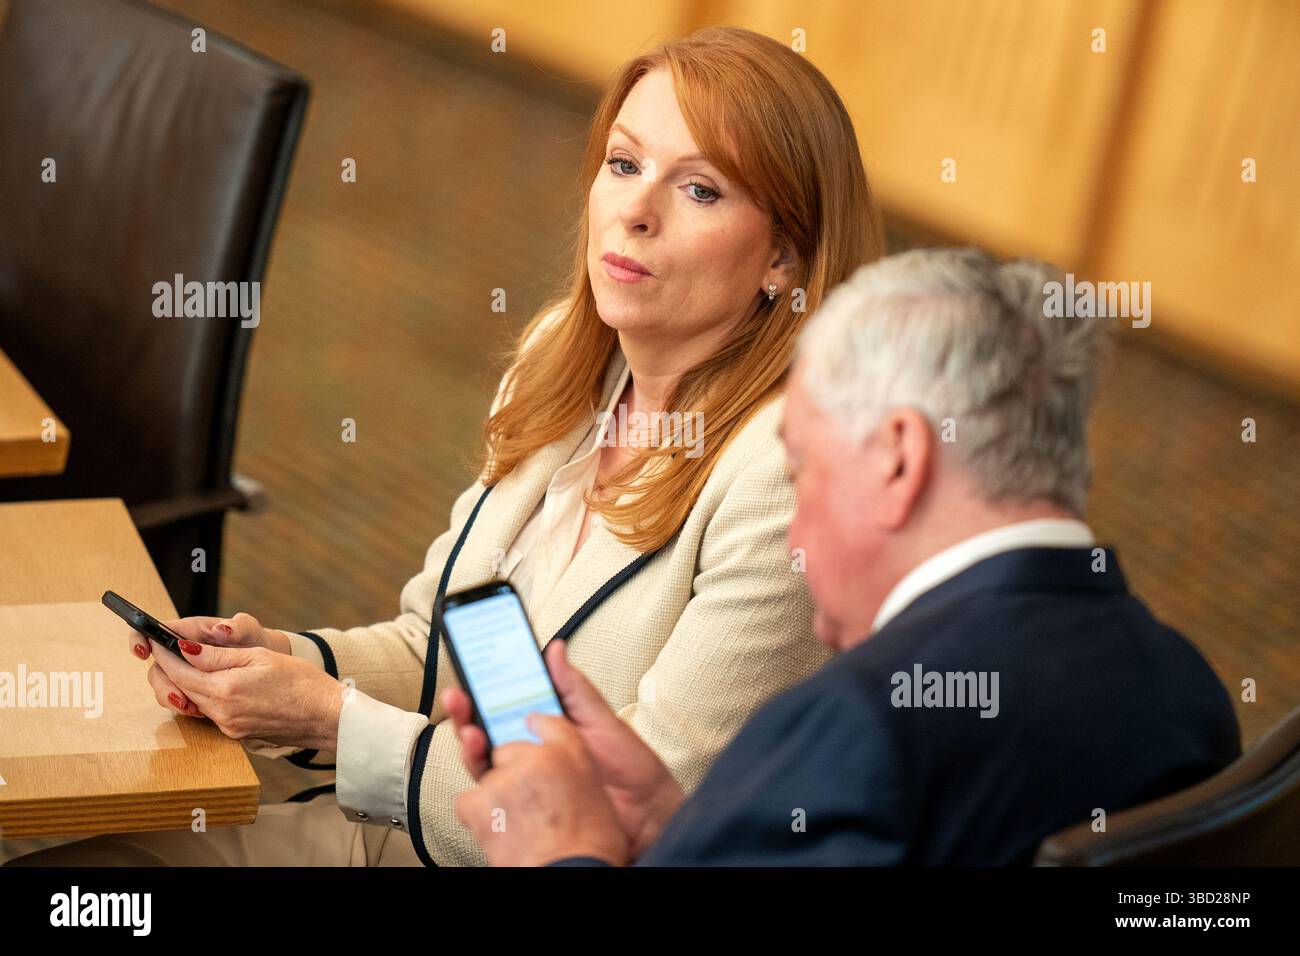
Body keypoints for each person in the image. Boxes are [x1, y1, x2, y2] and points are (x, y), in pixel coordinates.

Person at [7, 26, 886, 867]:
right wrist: (278, 664)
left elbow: (629, 820)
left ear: (785, 259)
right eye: (623, 164)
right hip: (412, 827)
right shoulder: (564, 363)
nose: (636, 211)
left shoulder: (782, 481)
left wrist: (331, 719)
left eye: (700, 189)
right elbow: (441, 650)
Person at [447, 247, 1243, 866]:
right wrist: (675, 827)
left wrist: (563, 851)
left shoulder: (854, 730)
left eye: (804, 472)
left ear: (898, 460)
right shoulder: (1186, 690)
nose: (794, 539)